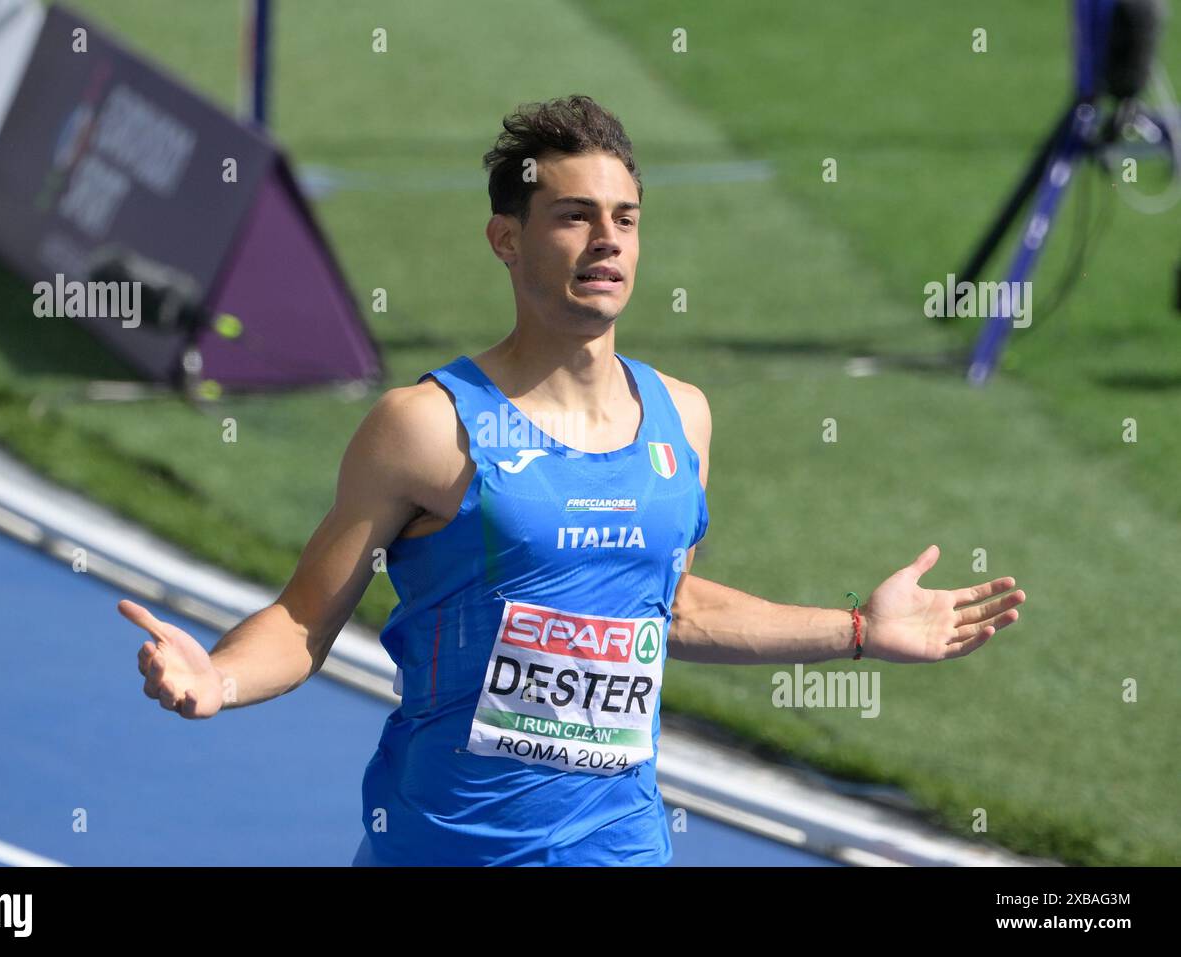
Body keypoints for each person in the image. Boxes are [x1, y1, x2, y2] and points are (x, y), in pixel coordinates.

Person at [118, 94, 1025, 866]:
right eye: (575, 216)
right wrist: (221, 679)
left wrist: (858, 629)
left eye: (626, 218)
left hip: (617, 840)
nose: (607, 241)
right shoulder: (426, 426)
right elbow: (305, 616)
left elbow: (663, 608)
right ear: (505, 238)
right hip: (444, 845)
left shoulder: (684, 419)